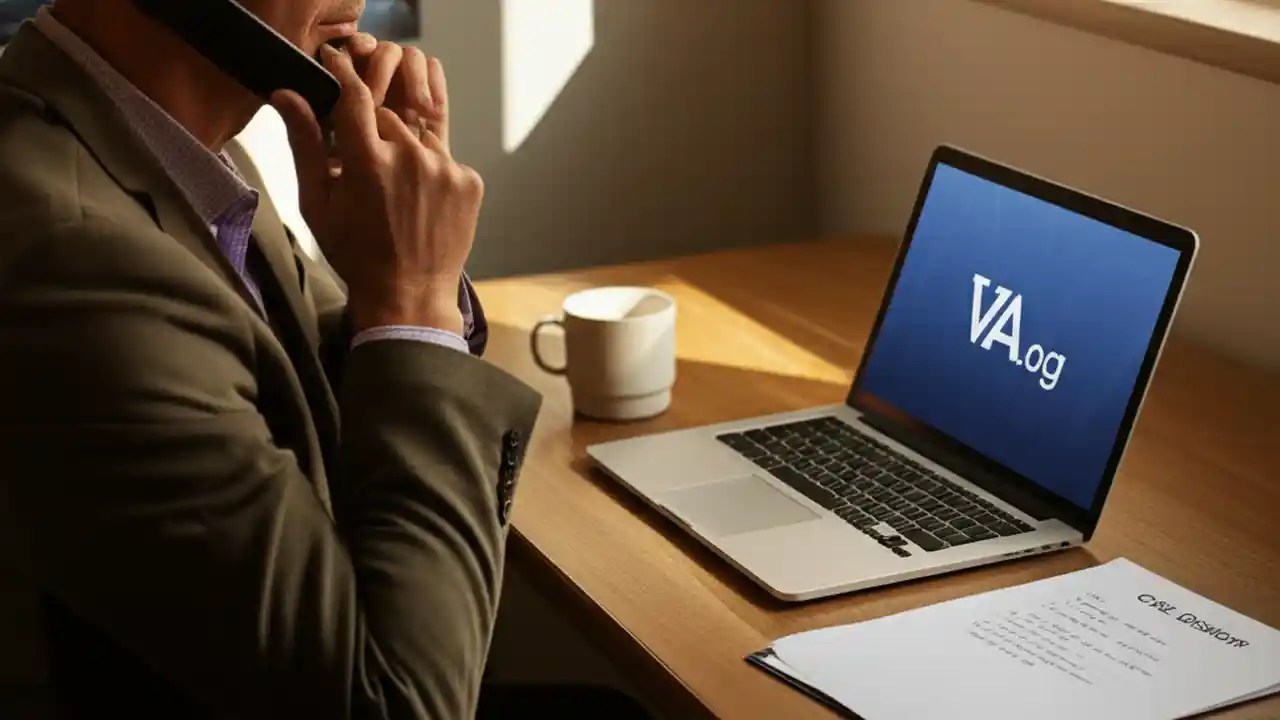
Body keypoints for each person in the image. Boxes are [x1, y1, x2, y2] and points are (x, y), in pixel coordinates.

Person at [0, 1, 645, 717]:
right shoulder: (75, 260)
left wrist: (400, 260)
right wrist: (415, 299)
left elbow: (288, 384)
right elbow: (402, 705)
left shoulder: (159, 140)